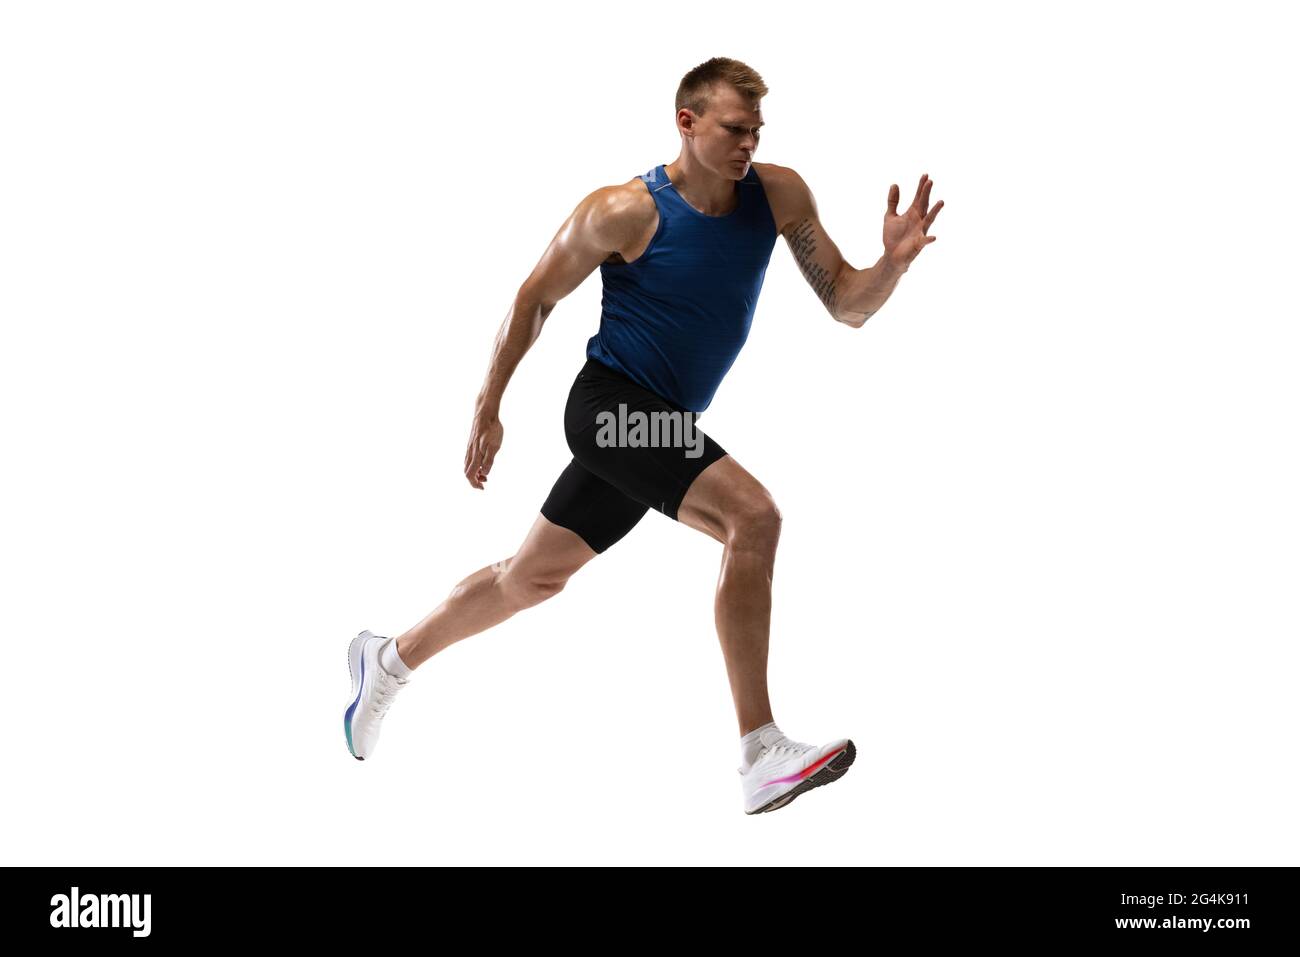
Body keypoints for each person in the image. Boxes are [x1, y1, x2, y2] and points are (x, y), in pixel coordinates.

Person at [343, 56, 943, 814]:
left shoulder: (779, 194)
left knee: (529, 578)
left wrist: (891, 262)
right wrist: (488, 405)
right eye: (732, 128)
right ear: (686, 123)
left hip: (661, 425)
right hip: (610, 408)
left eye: (756, 130)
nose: (747, 144)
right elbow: (534, 298)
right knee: (752, 516)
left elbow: (849, 305)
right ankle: (760, 750)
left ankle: (387, 660)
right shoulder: (624, 209)